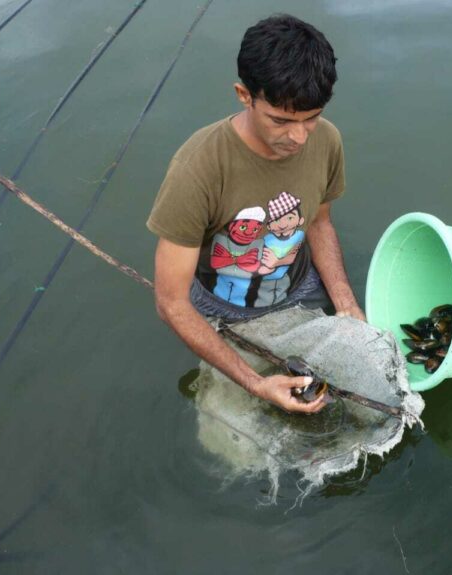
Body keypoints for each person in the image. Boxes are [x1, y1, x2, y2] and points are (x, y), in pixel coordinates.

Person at [147, 14, 364, 415]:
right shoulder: (198, 167)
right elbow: (171, 303)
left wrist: (345, 303)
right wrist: (256, 383)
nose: (298, 138)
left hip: (299, 287)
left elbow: (318, 221)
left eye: (310, 118)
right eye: (281, 120)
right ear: (244, 95)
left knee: (345, 397)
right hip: (222, 309)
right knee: (243, 425)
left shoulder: (327, 140)